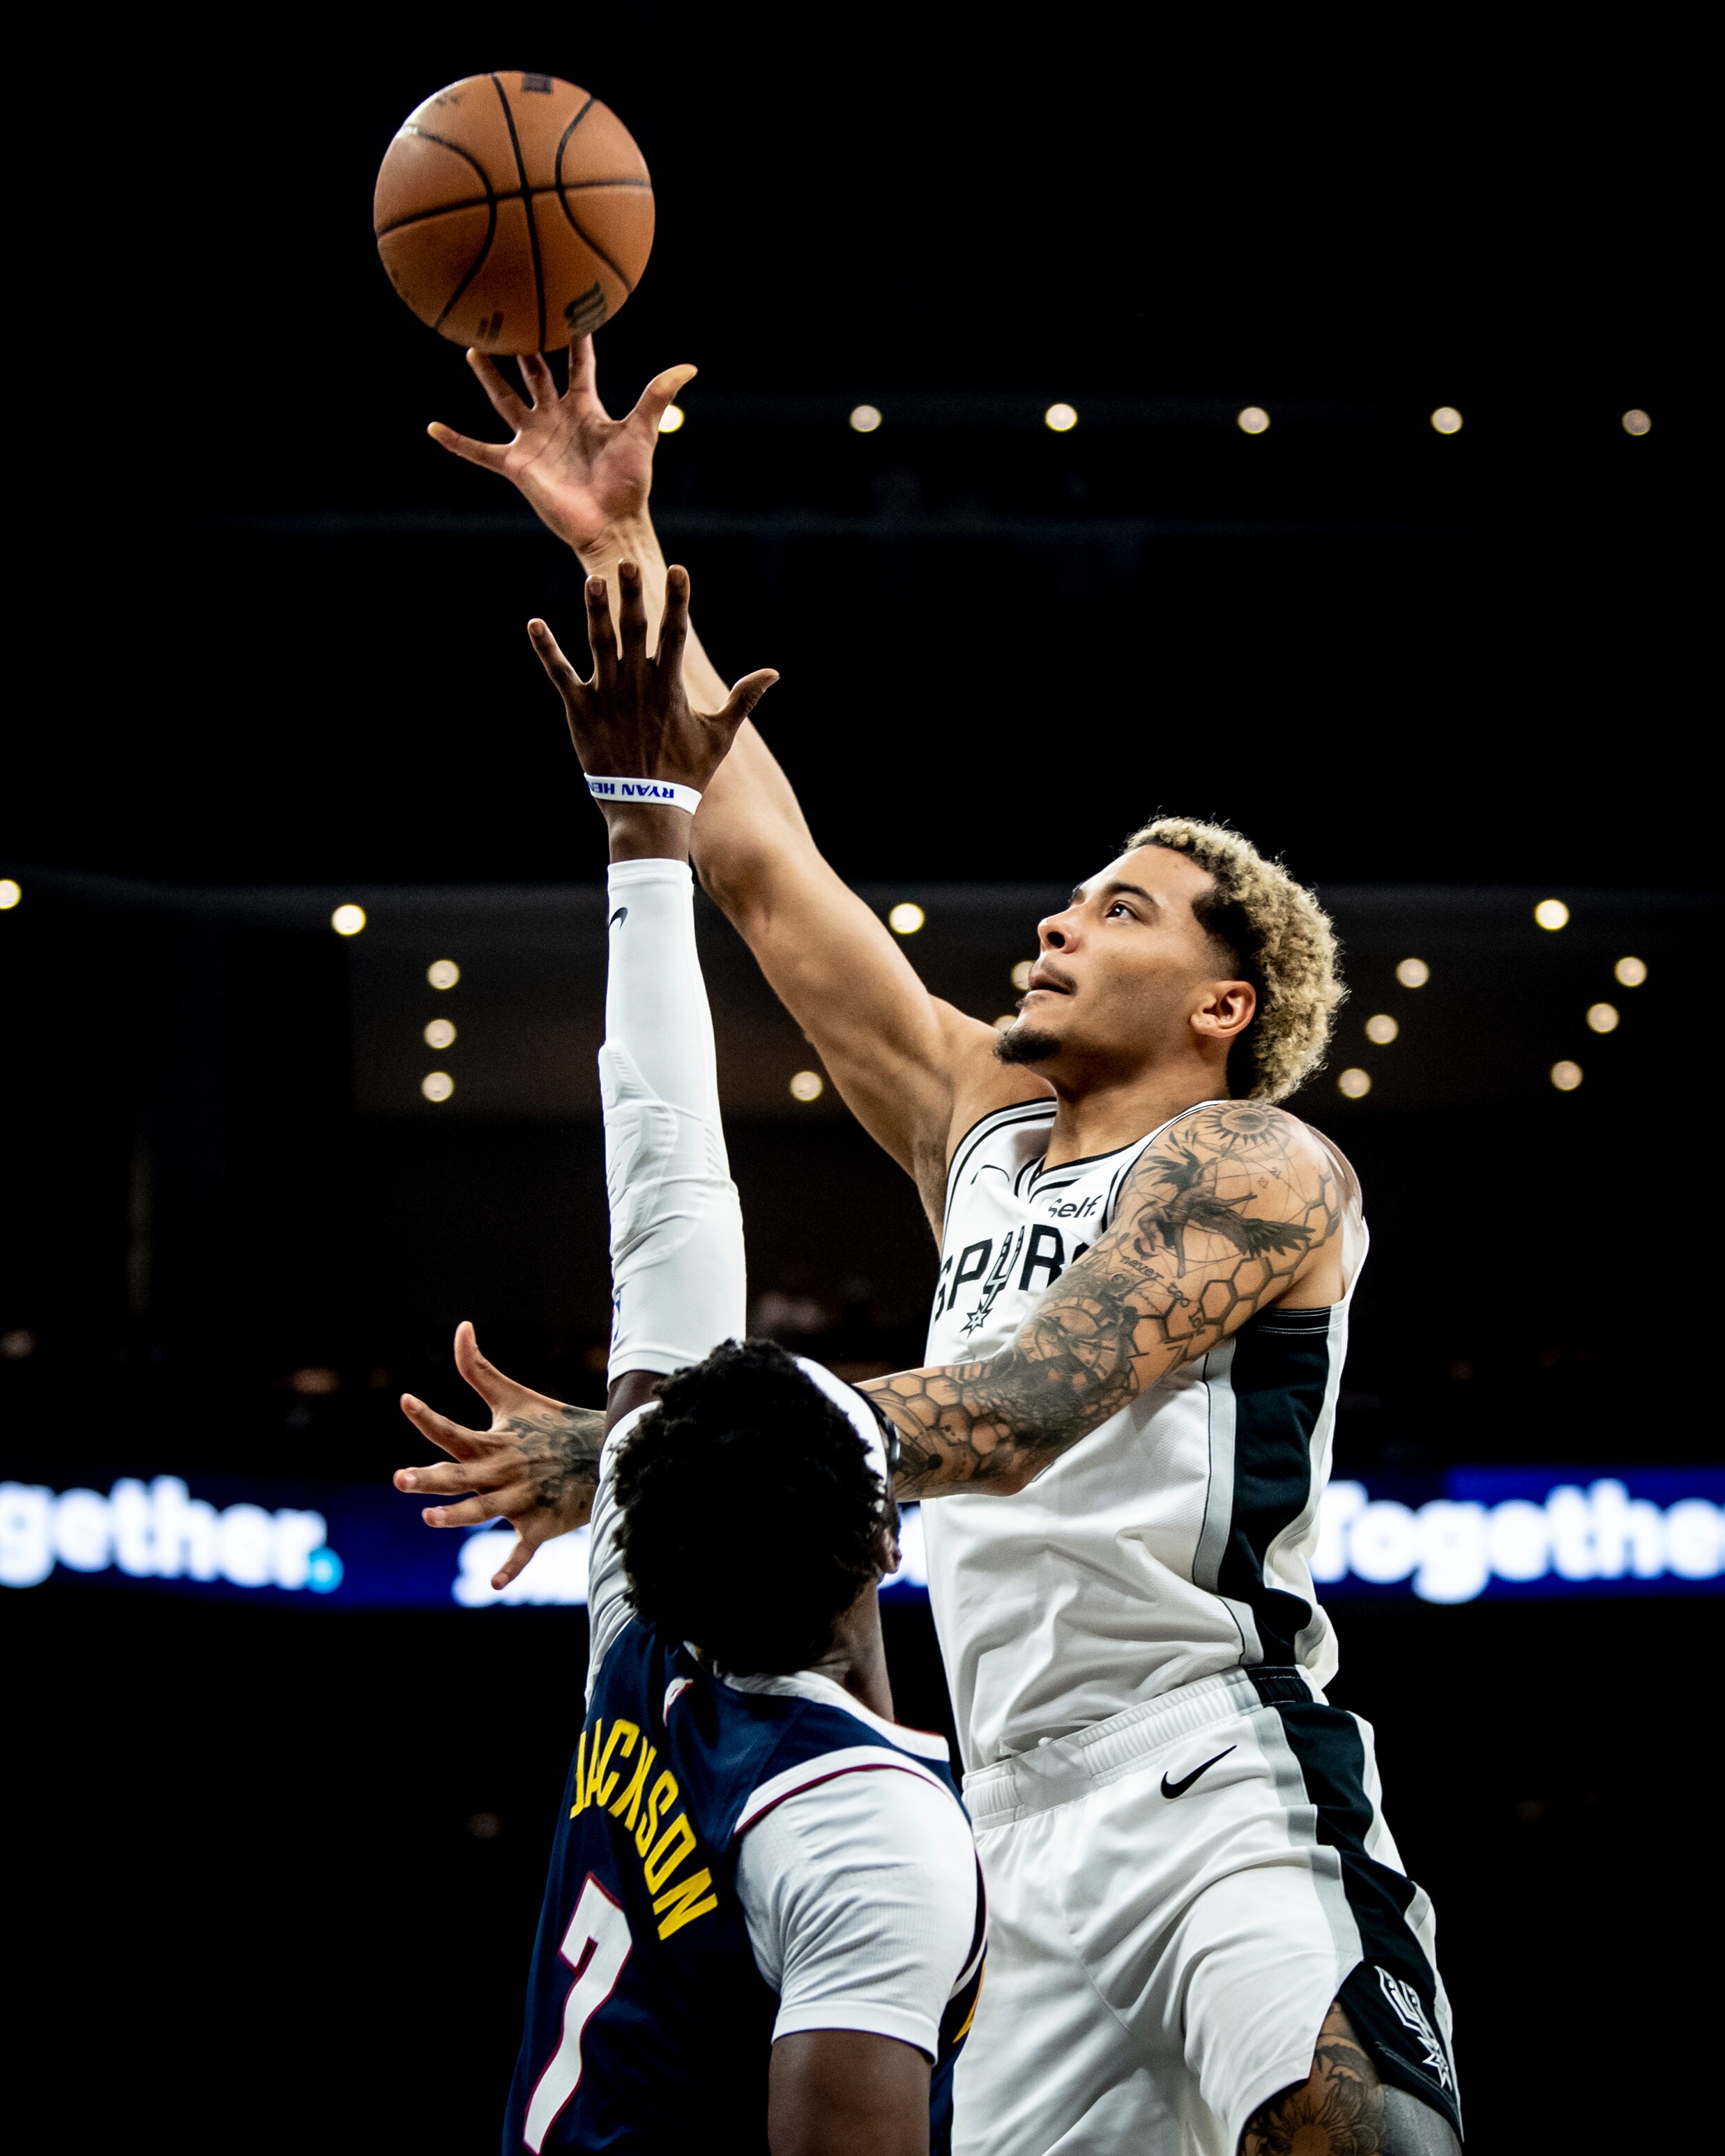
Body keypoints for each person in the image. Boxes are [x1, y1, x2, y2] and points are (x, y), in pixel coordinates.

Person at [414, 338, 1461, 2155]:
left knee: (1342, 2129)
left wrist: (681, 1441)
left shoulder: (1258, 1162)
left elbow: (1033, 1399)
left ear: (1226, 999)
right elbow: (749, 856)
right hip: (1013, 1831)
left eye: (1119, 906)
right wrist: (618, 543)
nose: (1059, 917)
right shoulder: (972, 1115)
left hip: (1220, 1775)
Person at [395, 569, 984, 2154]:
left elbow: (664, 1199)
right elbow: (661, 1197)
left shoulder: (642, 1643)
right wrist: (637, 831)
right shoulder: (854, 1825)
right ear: (883, 1535)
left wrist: (646, 828)